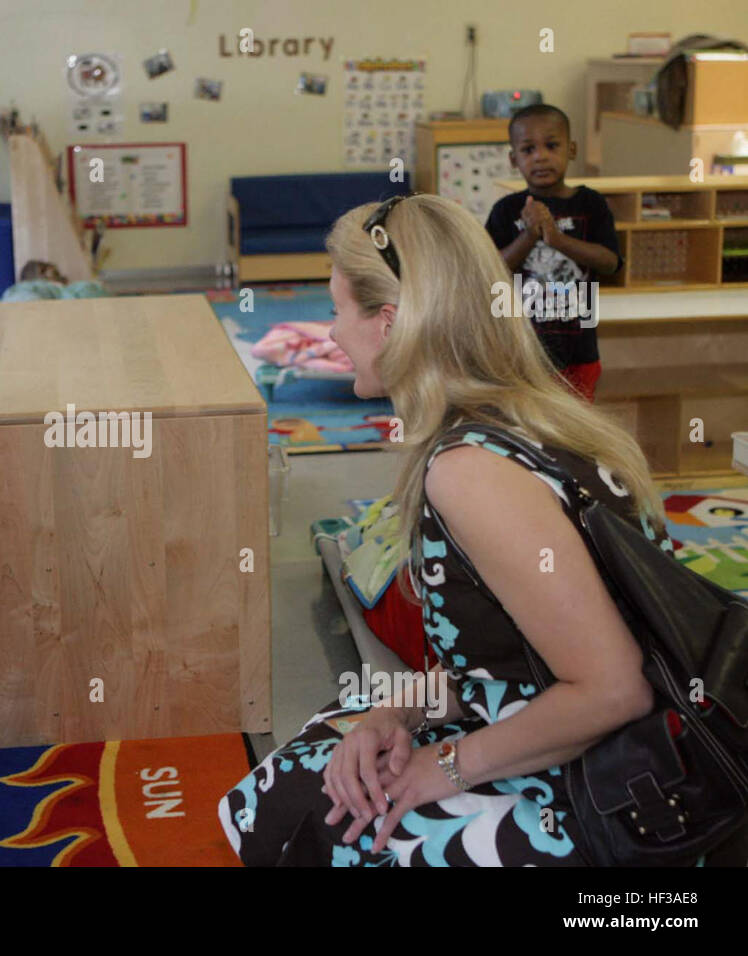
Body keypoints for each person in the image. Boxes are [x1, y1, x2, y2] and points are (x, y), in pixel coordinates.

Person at [219, 193, 677, 866]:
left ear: (392, 323)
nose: (334, 332)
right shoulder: (533, 419)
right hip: (596, 740)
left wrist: (446, 766)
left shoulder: (471, 472)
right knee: (341, 732)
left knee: (302, 808)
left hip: (613, 793)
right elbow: (510, 656)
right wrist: (399, 714)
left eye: (341, 309)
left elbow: (613, 689)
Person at [484, 104, 621, 403]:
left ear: (571, 149)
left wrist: (556, 238)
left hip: (579, 352)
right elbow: (490, 271)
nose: (540, 156)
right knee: (526, 429)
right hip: (520, 353)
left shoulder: (591, 204)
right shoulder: (506, 210)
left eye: (551, 145)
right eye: (528, 149)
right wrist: (530, 233)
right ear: (513, 159)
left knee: (574, 433)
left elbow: (610, 263)